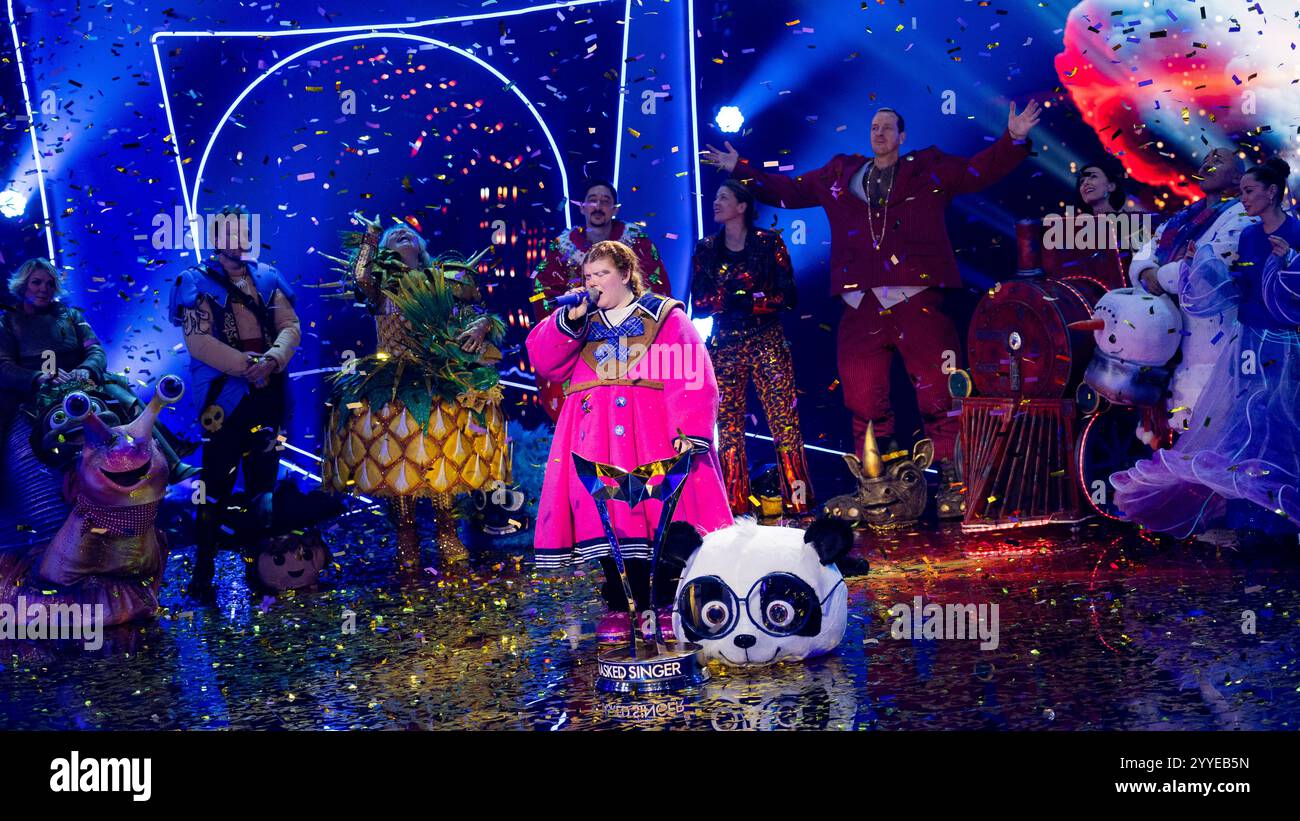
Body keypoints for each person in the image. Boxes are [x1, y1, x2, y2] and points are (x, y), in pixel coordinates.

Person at [703, 102, 1041, 514]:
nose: (879, 133)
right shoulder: (839, 174)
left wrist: (1014, 138)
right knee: (862, 400)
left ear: (902, 136)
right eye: (874, 127)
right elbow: (788, 192)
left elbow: (977, 171)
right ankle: (876, 489)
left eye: (888, 128)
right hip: (859, 305)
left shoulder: (927, 169)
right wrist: (741, 167)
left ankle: (957, 482)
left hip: (916, 301)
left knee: (941, 393)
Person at [526, 240, 732, 643]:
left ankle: (667, 602)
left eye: (601, 273)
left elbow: (691, 369)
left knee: (659, 515)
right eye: (587, 276)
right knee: (604, 517)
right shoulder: (578, 321)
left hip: (650, 432)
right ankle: (622, 607)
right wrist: (568, 320)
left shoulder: (663, 316)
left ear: (625, 274)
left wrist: (689, 429)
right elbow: (545, 360)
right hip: (594, 436)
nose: (593, 283)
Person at [1111, 157, 1300, 546]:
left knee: (1276, 422)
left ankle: (1278, 518)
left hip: (1278, 340)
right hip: (1237, 338)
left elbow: (1283, 292)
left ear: (1268, 191)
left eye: (1250, 190)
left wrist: (1287, 263)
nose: (1245, 198)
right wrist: (1194, 267)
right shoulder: (1217, 228)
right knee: (1241, 425)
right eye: (1243, 192)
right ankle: (1243, 517)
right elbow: (1231, 283)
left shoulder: (1276, 228)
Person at [321, 215, 509, 570]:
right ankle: (406, 532)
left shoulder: (444, 280)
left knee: (438, 456)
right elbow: (360, 277)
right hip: (394, 379)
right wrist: (370, 238)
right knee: (399, 458)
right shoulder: (381, 285)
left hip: (440, 375)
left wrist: (483, 326)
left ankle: (446, 529)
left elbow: (479, 312)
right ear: (385, 252)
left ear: (422, 248)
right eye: (394, 236)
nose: (402, 233)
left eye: (408, 232)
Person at [169, 206, 301, 604]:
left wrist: (272, 361)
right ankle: (204, 570)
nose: (239, 237)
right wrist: (246, 367)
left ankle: (262, 567)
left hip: (268, 391)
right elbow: (199, 342)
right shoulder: (193, 281)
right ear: (215, 238)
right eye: (230, 231)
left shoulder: (267, 276)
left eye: (244, 229)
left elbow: (289, 327)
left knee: (264, 484)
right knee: (216, 486)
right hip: (223, 398)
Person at [691, 179, 812, 517]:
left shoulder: (768, 243)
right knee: (727, 428)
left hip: (767, 340)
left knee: (785, 424)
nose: (715, 202)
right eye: (715, 196)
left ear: (742, 206)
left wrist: (737, 299)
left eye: (723, 197)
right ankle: (733, 507)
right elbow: (699, 303)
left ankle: (799, 502)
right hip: (725, 343)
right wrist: (749, 298)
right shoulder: (705, 249)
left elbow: (787, 296)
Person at [1129, 147, 1256, 436]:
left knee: (1216, 429)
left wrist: (1157, 276)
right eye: (1205, 158)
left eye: (1217, 160)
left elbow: (1209, 267)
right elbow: (1145, 254)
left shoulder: (1244, 216)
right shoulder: (1184, 218)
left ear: (1237, 179)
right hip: (1175, 333)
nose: (1207, 162)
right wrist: (1148, 273)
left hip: (1216, 336)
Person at [530, 179, 673, 421]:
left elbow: (659, 289)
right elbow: (542, 293)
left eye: (605, 201)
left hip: (629, 338)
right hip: (580, 340)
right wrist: (571, 316)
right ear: (582, 207)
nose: (598, 206)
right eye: (592, 200)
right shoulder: (562, 247)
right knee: (581, 413)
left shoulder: (637, 242)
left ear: (615, 209)